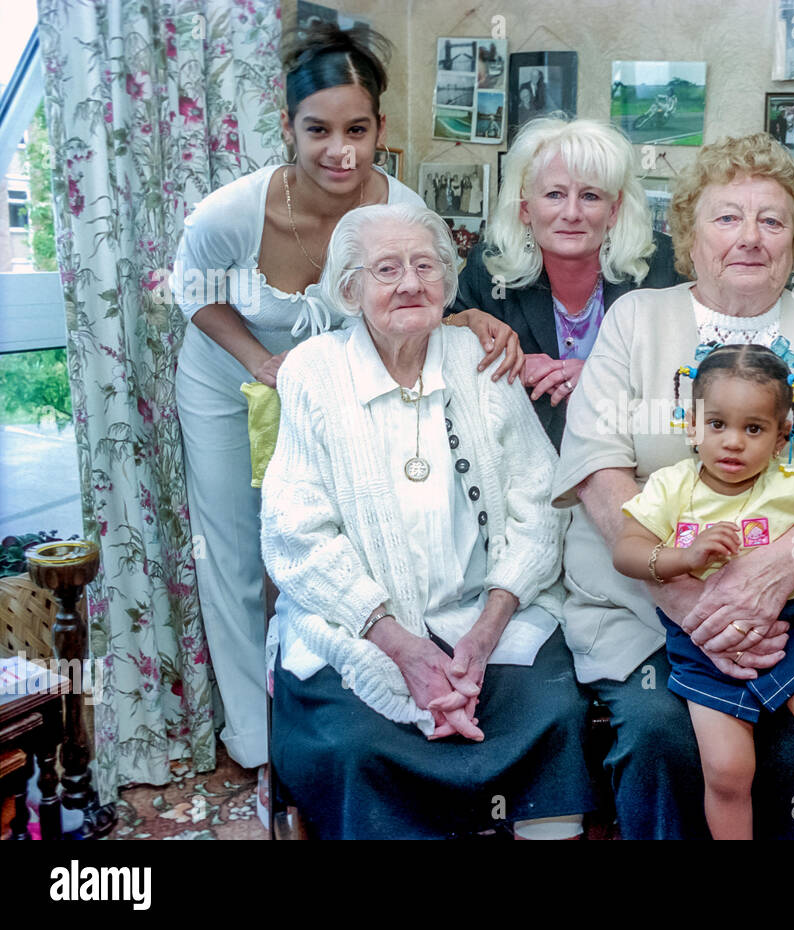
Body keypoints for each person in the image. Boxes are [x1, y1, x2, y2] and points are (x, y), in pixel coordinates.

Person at [171, 23, 513, 777]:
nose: (341, 152)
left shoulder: (404, 204)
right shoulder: (233, 211)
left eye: (357, 130)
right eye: (318, 131)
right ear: (287, 127)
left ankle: (327, 691)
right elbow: (191, 293)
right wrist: (264, 362)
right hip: (230, 375)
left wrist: (474, 316)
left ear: (380, 127)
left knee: (314, 541)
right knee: (234, 547)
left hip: (326, 383)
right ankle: (251, 736)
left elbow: (419, 294)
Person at [552, 132, 794, 839]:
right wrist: (697, 602)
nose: (750, 237)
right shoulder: (638, 320)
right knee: (662, 730)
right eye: (726, 217)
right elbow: (595, 471)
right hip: (644, 604)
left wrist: (777, 573)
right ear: (689, 232)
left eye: (772, 220)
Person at [261, 203, 594, 839]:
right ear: (350, 288)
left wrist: (490, 626)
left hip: (484, 615)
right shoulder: (312, 371)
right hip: (359, 624)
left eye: (425, 265)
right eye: (386, 269)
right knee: (356, 747)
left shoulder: (479, 355)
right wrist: (400, 645)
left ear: (447, 279)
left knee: (553, 714)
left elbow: (539, 500)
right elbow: (295, 534)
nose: (410, 283)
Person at [613, 345, 794, 839]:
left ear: (779, 438)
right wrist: (681, 559)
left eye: (753, 428)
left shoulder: (793, 481)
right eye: (717, 424)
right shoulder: (672, 487)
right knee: (728, 772)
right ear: (692, 425)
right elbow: (627, 550)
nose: (733, 443)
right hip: (706, 644)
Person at [450, 118, 683, 450]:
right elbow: (439, 333)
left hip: (633, 452)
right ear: (525, 208)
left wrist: (602, 379)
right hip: (523, 454)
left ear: (614, 211)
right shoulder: (489, 267)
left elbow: (694, 365)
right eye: (555, 194)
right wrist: (478, 330)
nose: (572, 213)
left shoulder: (662, 267)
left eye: (590, 196)